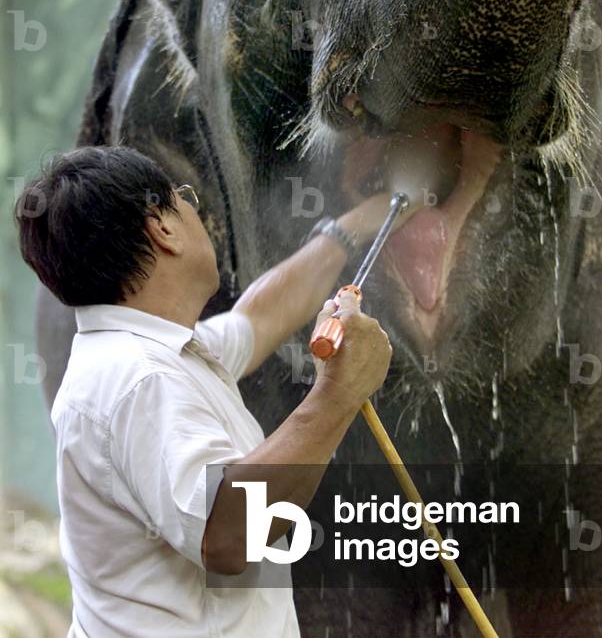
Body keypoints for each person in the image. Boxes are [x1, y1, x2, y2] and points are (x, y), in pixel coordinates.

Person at [15, 144, 404, 638]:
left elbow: (257, 319)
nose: (194, 210)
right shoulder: (137, 380)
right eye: (183, 199)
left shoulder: (151, 352)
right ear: (163, 228)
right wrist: (339, 393)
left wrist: (362, 222)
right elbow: (230, 531)